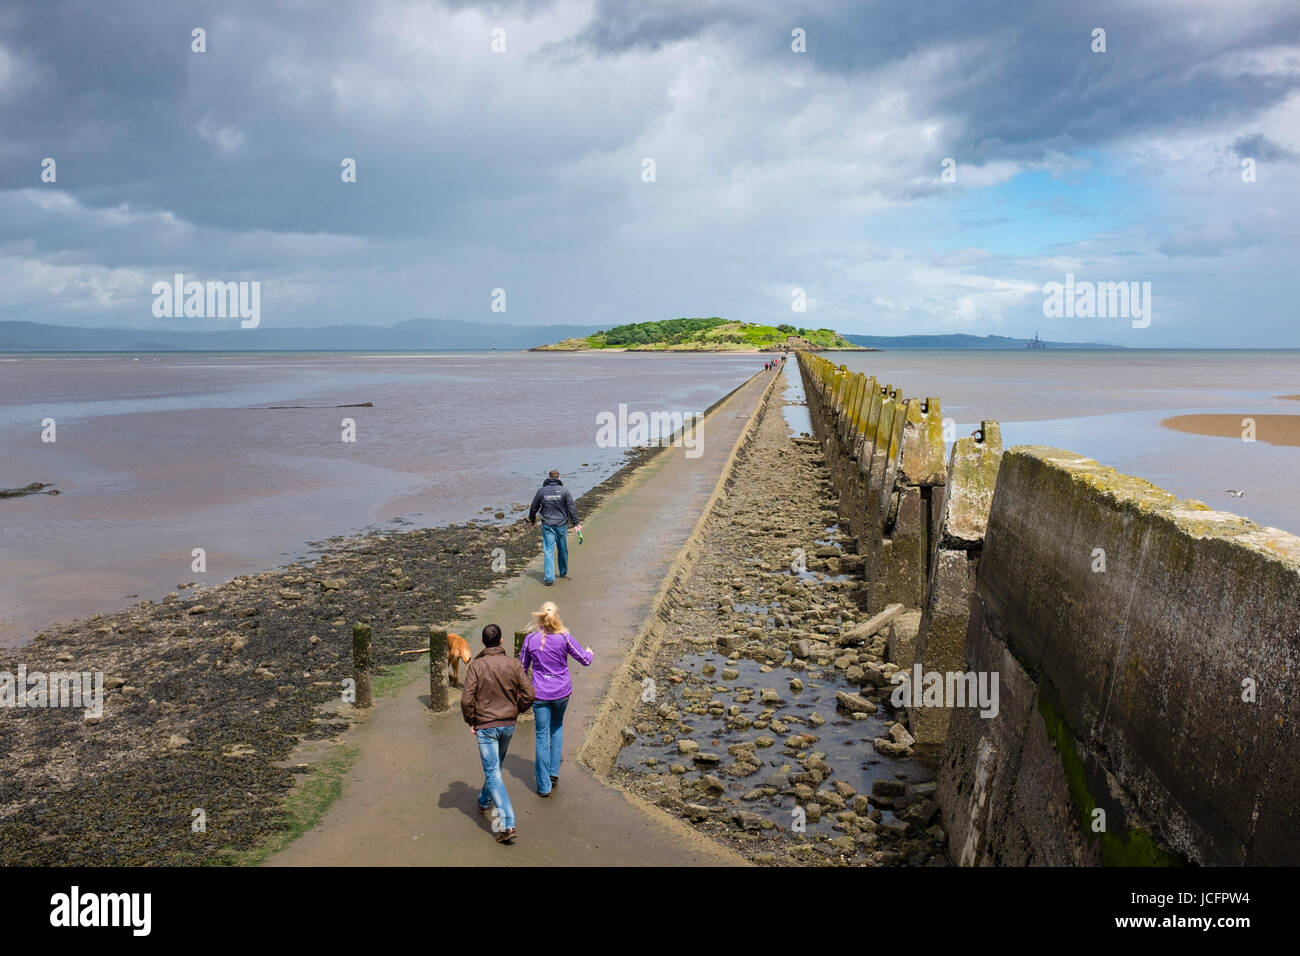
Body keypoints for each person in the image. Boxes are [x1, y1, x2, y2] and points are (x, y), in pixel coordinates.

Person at [461, 623, 535, 844]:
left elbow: (466, 699)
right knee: (495, 767)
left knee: (493, 771)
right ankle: (484, 800)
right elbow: (530, 693)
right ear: (501, 641)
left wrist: (471, 720)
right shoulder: (513, 664)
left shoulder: (476, 666)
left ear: (483, 642)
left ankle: (507, 824)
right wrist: (518, 709)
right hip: (507, 724)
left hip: (486, 726)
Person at [519, 601, 593, 797]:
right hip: (561, 693)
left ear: (540, 618)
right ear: (556, 617)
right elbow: (584, 660)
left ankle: (544, 786)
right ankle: (553, 773)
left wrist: (521, 691)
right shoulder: (564, 638)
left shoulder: (530, 639)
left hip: (539, 694)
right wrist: (590, 653)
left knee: (542, 736)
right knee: (557, 728)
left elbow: (522, 668)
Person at [527, 470, 581, 586]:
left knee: (548, 551)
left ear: (549, 477)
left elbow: (533, 508)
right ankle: (563, 572)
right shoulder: (564, 491)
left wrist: (532, 520)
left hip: (548, 525)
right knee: (562, 549)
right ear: (559, 478)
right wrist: (576, 523)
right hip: (560, 525)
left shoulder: (542, 491)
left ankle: (549, 579)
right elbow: (572, 508)